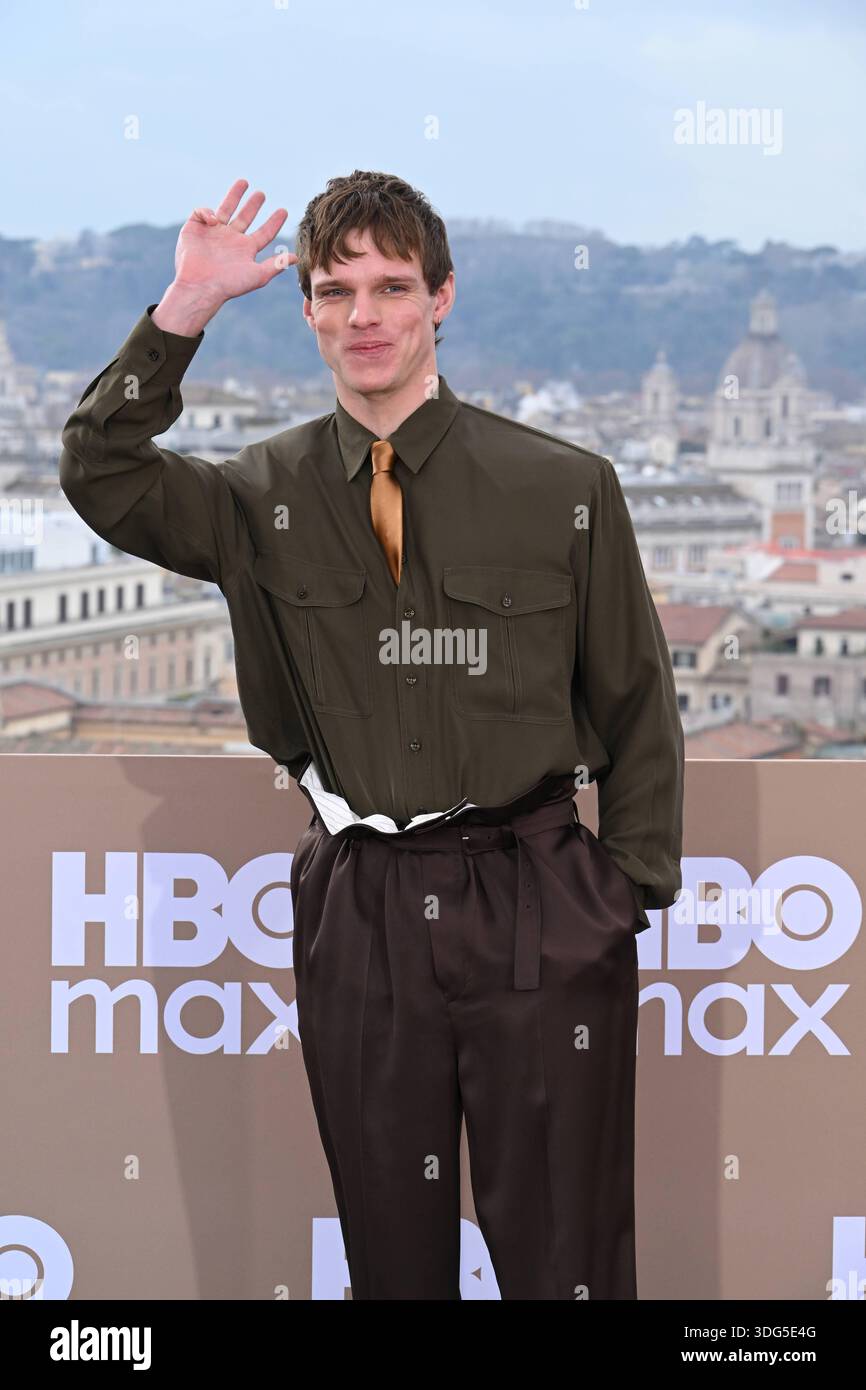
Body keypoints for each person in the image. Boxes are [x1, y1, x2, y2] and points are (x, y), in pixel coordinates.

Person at [59, 171, 684, 1300]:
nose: (365, 315)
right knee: (391, 1257)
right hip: (361, 907)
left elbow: (638, 702)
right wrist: (183, 311)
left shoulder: (564, 486)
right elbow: (98, 474)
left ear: (441, 298)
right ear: (304, 310)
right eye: (335, 290)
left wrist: (618, 894)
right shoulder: (256, 496)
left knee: (567, 1256)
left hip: (533, 892)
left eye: (391, 285)